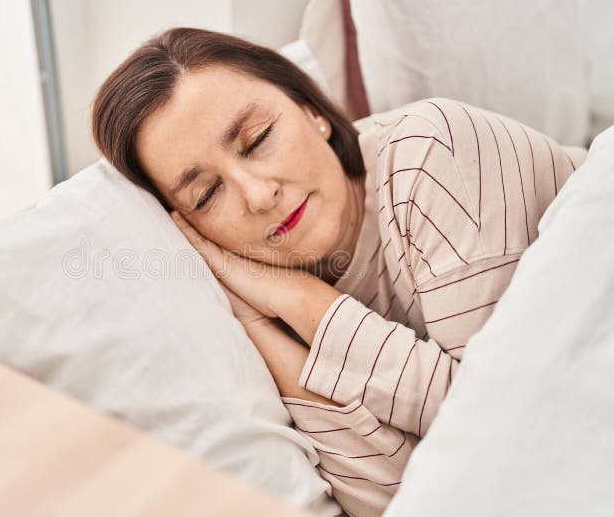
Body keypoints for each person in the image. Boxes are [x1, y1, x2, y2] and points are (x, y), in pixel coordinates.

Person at [91, 27, 587, 517]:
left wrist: (307, 305)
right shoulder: (254, 307)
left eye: (257, 138)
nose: (259, 195)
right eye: (207, 195)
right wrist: (260, 324)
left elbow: (506, 423)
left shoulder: (432, 151)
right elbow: (402, 501)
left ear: (312, 110)